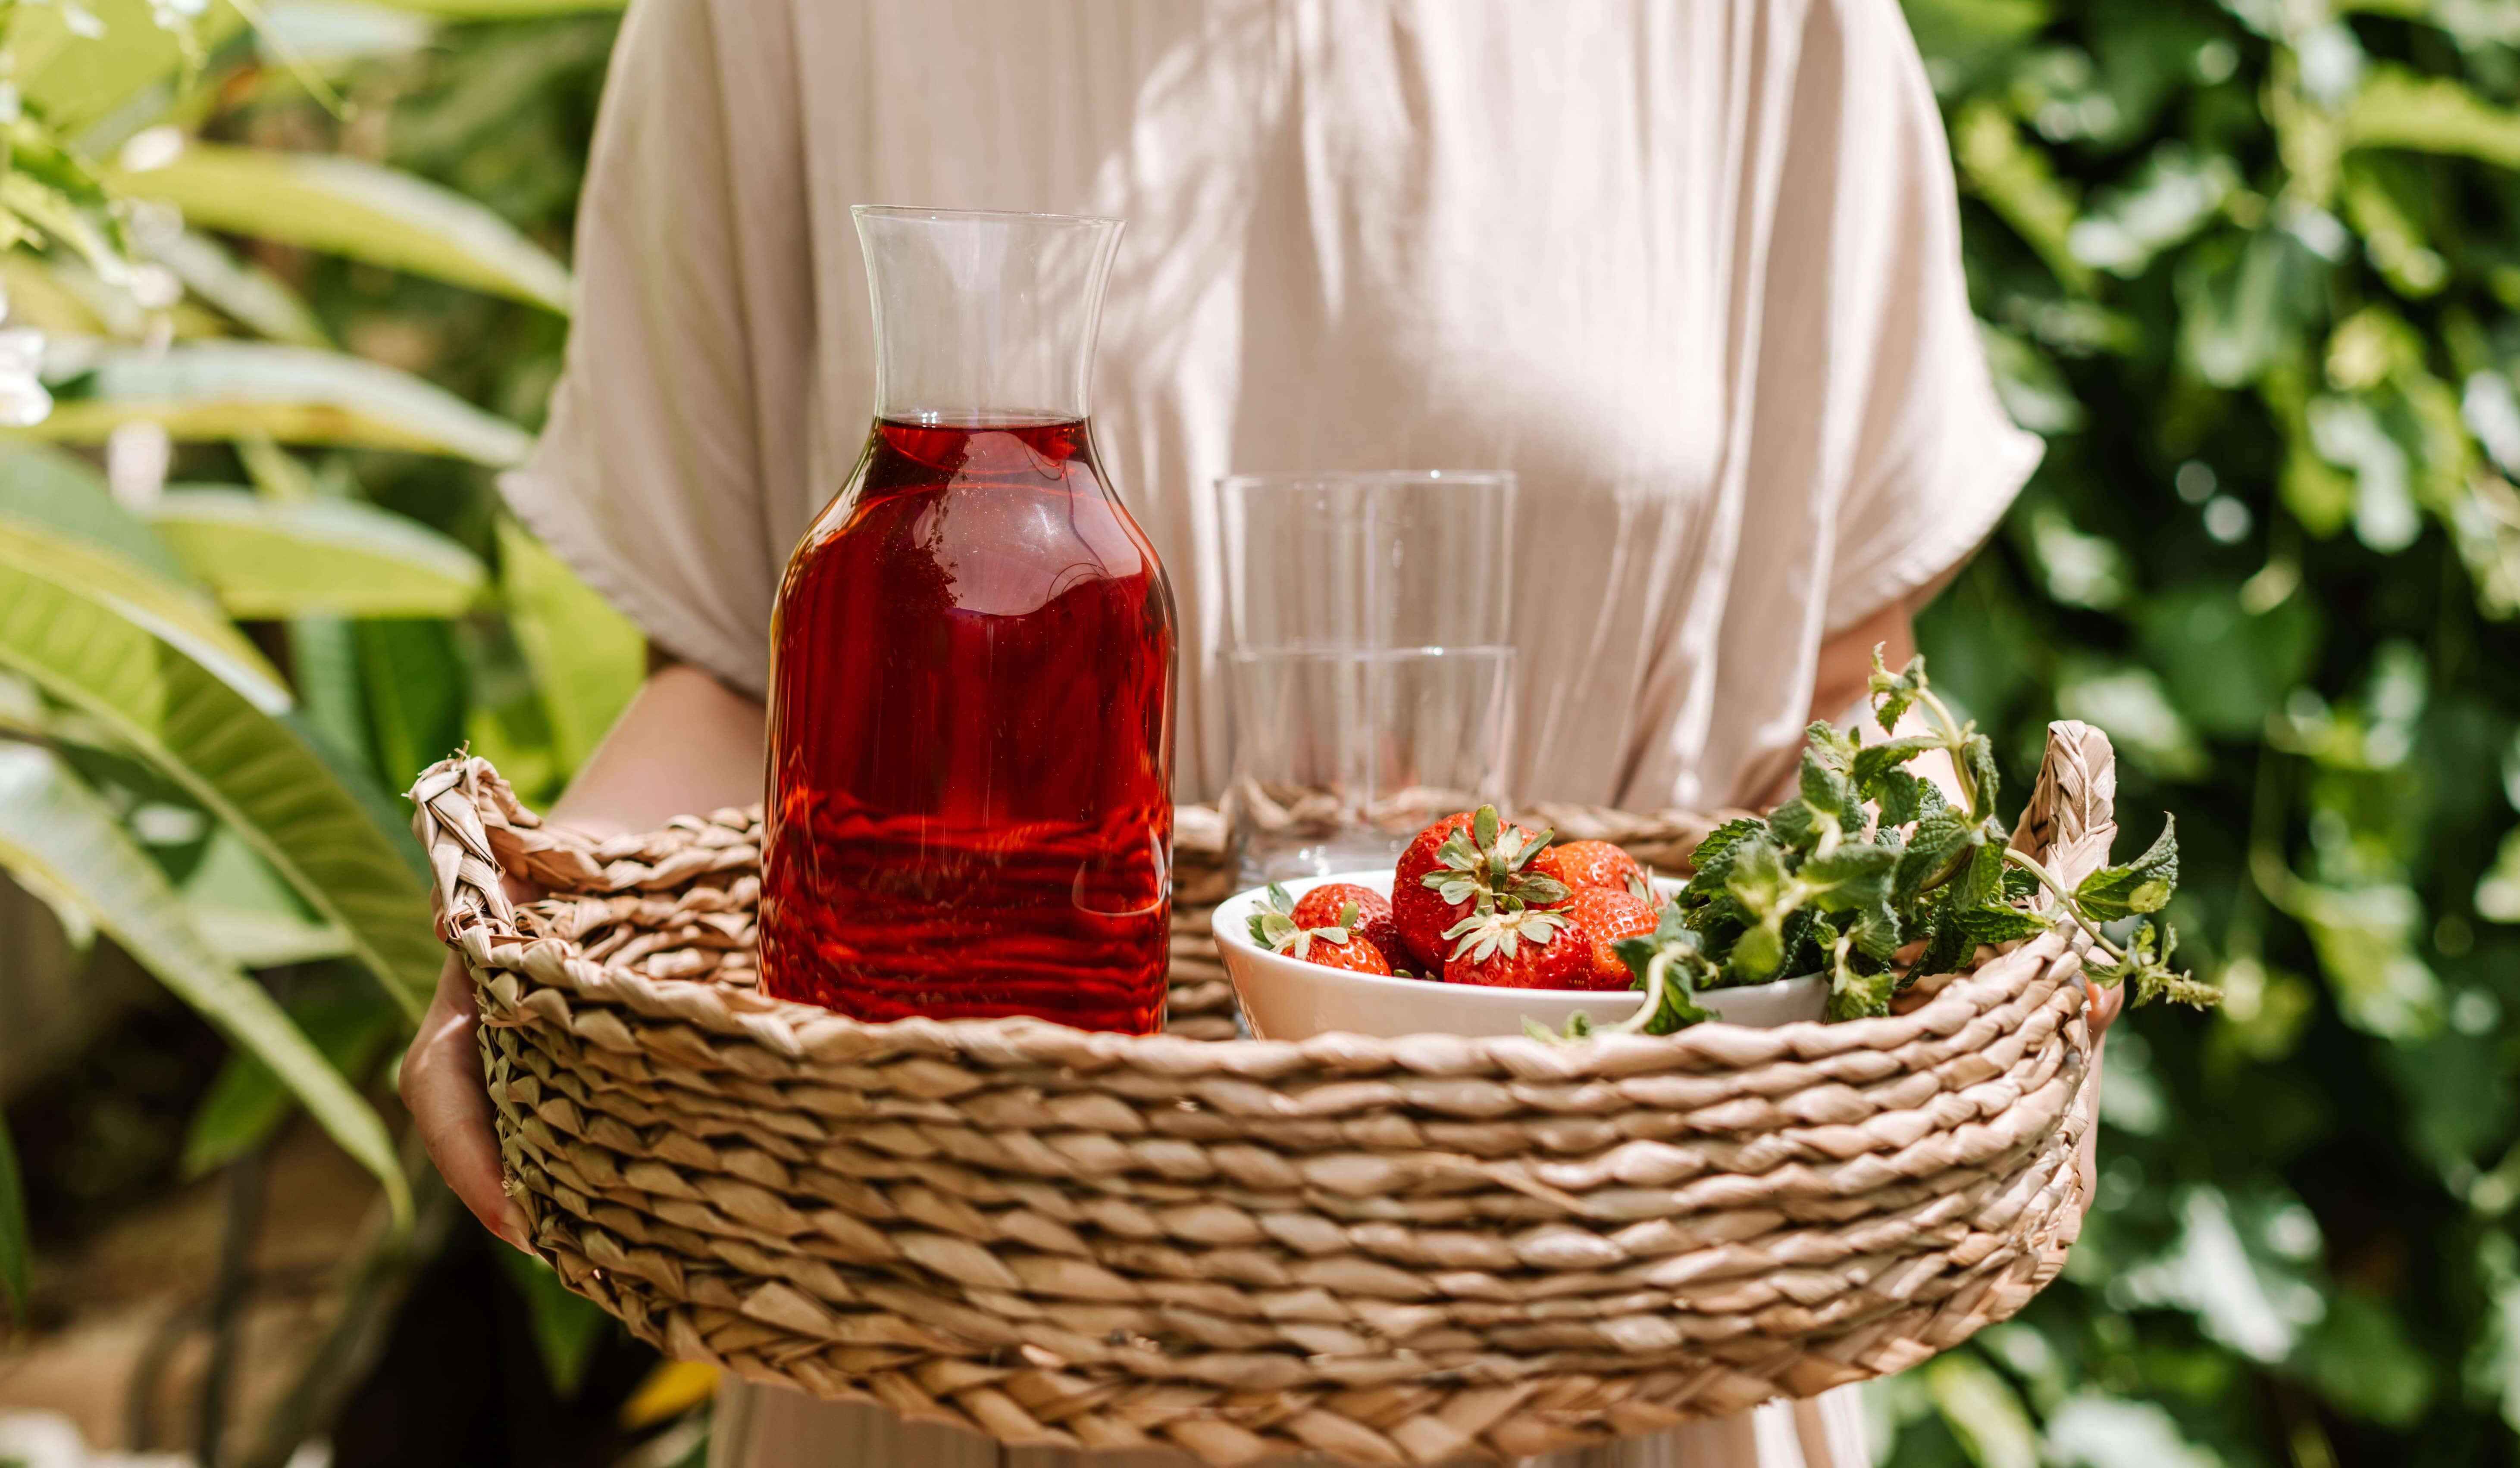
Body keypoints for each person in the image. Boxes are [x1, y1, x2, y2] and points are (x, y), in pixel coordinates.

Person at [400, 1, 2124, 1463]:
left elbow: (1852, 696)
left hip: (1607, 1327)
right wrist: (542, 951)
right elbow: (731, 693)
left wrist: (1957, 952)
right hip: (952, 1331)